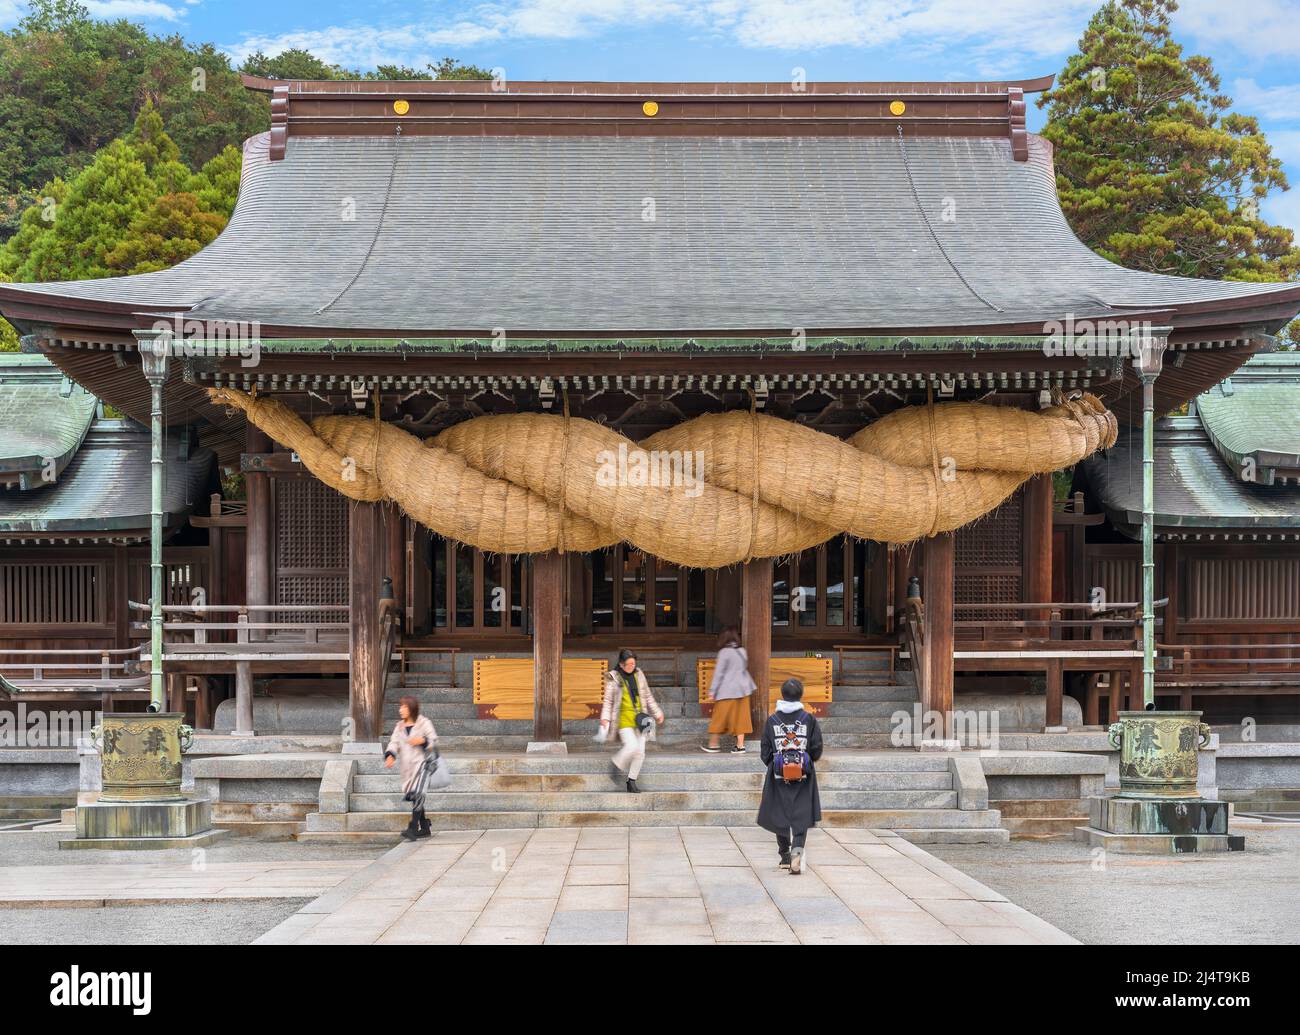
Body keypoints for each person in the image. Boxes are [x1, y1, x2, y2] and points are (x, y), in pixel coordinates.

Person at [757, 677, 823, 874]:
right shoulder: (809, 719)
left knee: (780, 814)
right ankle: (797, 851)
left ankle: (785, 856)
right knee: (801, 815)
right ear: (800, 695)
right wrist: (804, 762)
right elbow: (816, 749)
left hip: (778, 777)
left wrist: (777, 765)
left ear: (782, 695)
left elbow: (765, 752)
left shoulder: (772, 720)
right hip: (803, 776)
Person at [599, 648, 664, 793]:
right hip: (623, 720)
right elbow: (608, 701)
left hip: (640, 719)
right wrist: (605, 718)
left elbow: (647, 695)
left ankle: (631, 781)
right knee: (632, 746)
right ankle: (616, 764)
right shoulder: (614, 677)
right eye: (628, 664)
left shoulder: (639, 674)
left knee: (640, 752)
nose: (631, 667)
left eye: (633, 664)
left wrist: (658, 712)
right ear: (621, 664)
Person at [384, 695, 437, 841]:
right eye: (400, 706)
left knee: (418, 794)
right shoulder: (399, 726)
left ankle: (413, 828)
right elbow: (393, 743)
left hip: (422, 766)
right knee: (415, 796)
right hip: (407, 768)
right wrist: (390, 755)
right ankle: (425, 828)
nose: (401, 710)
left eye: (404, 707)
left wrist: (423, 740)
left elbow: (433, 740)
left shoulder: (424, 723)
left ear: (412, 709)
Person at [703, 625, 755, 753]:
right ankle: (740, 746)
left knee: (719, 717)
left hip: (727, 690)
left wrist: (712, 691)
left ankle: (713, 744)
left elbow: (719, 673)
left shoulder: (724, 653)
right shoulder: (742, 651)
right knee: (741, 718)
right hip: (743, 689)